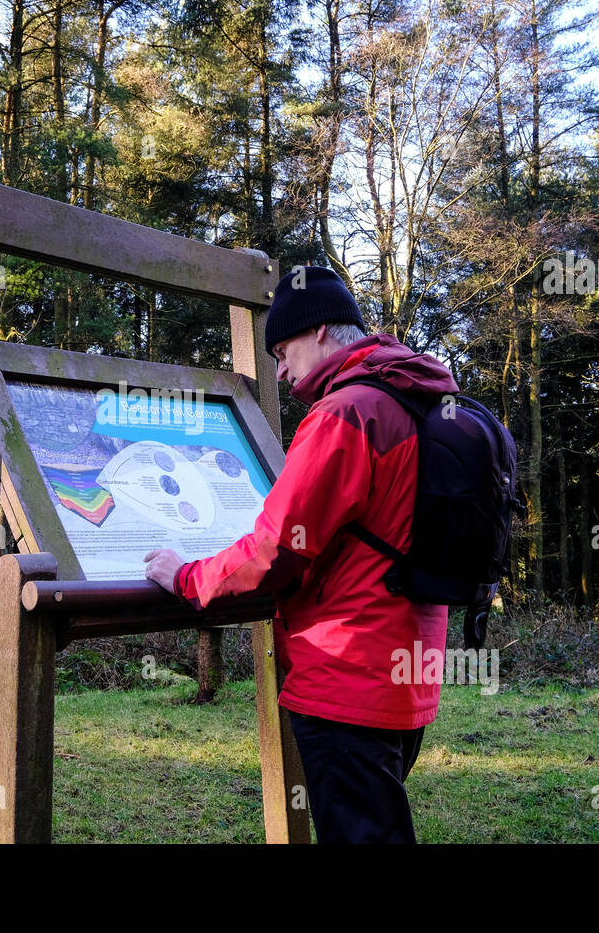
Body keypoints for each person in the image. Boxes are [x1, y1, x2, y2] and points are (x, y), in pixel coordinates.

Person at [144, 264, 458, 844]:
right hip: (407, 672)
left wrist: (186, 576)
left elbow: (274, 550)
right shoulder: (418, 399)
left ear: (318, 331)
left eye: (283, 351)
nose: (281, 371)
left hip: (347, 674)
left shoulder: (347, 413)